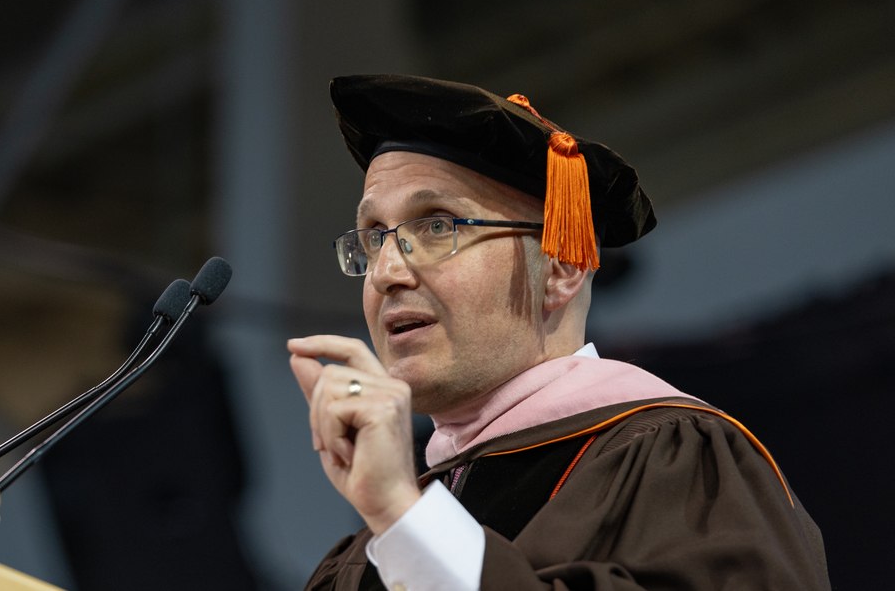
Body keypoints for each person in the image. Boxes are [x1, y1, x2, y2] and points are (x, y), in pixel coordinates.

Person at [286, 74, 830, 590]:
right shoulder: (368, 553)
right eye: (373, 236)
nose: (386, 272)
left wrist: (407, 519)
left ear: (561, 269)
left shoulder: (680, 469)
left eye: (436, 225)